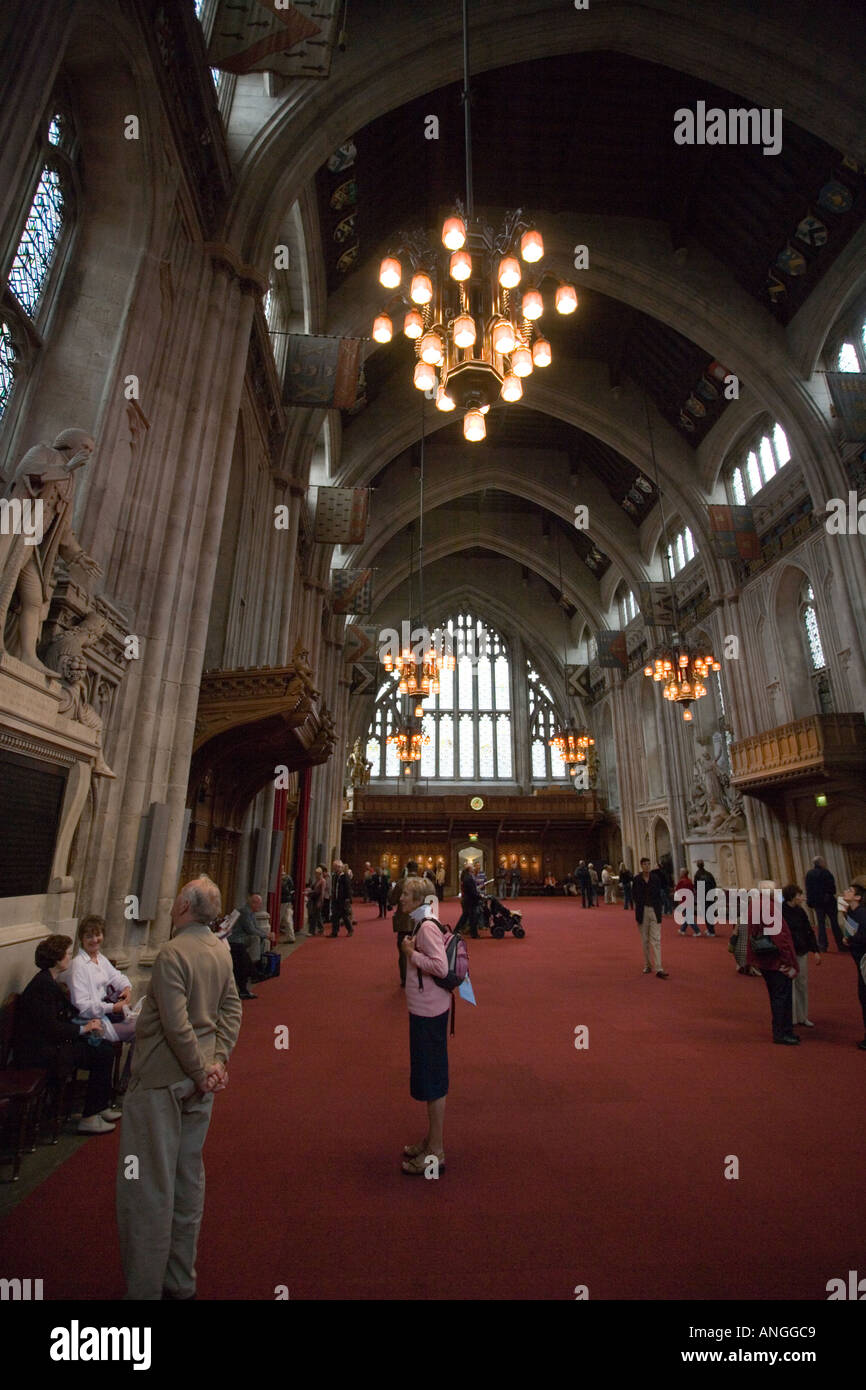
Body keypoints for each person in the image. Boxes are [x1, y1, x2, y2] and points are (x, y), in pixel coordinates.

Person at [116, 875, 242, 1300]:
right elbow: (231, 1009)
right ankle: (181, 1281)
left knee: (148, 1185)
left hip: (162, 1081)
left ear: (185, 909)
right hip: (199, 1085)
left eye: (176, 902)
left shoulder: (173, 952)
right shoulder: (220, 949)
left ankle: (146, 1289)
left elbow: (175, 1024)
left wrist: (202, 1067)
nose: (170, 907)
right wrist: (218, 1061)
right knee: (188, 1179)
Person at [13, 934, 118, 1134]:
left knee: (103, 1047)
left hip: (50, 1043)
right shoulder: (43, 985)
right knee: (102, 1053)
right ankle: (89, 1117)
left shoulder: (49, 982)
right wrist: (83, 1029)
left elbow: (62, 1018)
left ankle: (98, 1108)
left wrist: (87, 1024)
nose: (70, 958)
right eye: (68, 954)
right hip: (39, 1050)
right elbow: (51, 1027)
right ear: (56, 958)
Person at [399, 876, 450, 1176]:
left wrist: (411, 955)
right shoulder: (422, 923)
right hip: (425, 1010)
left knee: (433, 1080)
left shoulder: (427, 926)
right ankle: (431, 1140)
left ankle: (437, 1152)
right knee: (429, 1076)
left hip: (430, 1013)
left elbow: (440, 967)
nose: (401, 898)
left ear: (419, 900)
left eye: (405, 894)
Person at [62, 914, 138, 1044]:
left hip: (107, 1015)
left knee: (147, 1026)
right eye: (89, 936)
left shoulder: (100, 958)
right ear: (81, 939)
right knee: (142, 1030)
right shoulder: (78, 966)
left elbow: (117, 977)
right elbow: (83, 1008)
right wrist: (113, 1008)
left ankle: (133, 1065)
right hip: (91, 1022)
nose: (95, 940)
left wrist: (126, 988)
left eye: (98, 935)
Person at [746, 883, 799, 1044]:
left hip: (764, 957)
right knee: (782, 997)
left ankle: (783, 1030)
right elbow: (780, 937)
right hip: (776, 959)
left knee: (776, 996)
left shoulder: (754, 905)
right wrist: (788, 960)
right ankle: (782, 1032)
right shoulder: (768, 907)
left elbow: (752, 931)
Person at [782, 884, 821, 1028]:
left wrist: (815, 950)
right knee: (789, 984)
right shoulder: (781, 911)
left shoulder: (800, 911)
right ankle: (791, 1016)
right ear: (792, 896)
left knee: (802, 983)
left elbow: (808, 931)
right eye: (800, 895)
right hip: (787, 953)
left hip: (801, 951)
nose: (802, 897)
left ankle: (803, 1016)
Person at [837, 879, 866, 1050]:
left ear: (857, 897)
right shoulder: (850, 912)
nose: (845, 892)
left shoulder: (862, 914)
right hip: (858, 958)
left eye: (849, 890)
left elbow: (862, 936)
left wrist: (851, 939)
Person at [227, 894, 269, 997]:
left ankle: (254, 972)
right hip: (234, 940)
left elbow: (256, 927)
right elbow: (250, 929)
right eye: (259, 903)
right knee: (243, 955)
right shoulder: (244, 912)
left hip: (240, 940)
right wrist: (266, 935)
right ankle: (254, 971)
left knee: (257, 940)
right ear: (253, 903)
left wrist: (266, 935)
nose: (260, 906)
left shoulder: (250, 912)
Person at [632, 857, 668, 978]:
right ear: (641, 866)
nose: (647, 866)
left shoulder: (655, 878)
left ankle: (659, 968)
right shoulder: (637, 879)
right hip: (642, 911)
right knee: (645, 940)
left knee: (656, 940)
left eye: (649, 864)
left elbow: (659, 893)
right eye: (645, 864)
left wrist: (659, 908)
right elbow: (634, 895)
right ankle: (647, 964)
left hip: (654, 910)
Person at [390, 861, 418, 986]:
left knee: (403, 951)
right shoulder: (424, 884)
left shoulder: (401, 883)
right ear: (417, 869)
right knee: (420, 949)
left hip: (404, 922)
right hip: (419, 921)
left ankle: (405, 979)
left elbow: (392, 900)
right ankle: (419, 977)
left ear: (407, 868)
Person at [805, 857, 840, 952]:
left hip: (817, 903)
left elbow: (808, 889)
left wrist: (810, 902)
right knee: (834, 923)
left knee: (820, 924)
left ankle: (822, 945)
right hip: (829, 902)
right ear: (820, 863)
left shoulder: (809, 874)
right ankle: (840, 944)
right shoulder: (826, 873)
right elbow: (832, 888)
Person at [455, 863, 481, 938]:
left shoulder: (467, 876)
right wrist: (478, 896)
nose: (474, 868)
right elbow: (471, 891)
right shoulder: (468, 878)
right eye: (472, 866)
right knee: (473, 917)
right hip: (470, 900)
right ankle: (474, 934)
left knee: (466, 916)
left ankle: (456, 930)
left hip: (468, 899)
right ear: (469, 869)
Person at [329, 859, 353, 937]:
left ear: (339, 867)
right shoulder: (335, 876)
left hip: (343, 900)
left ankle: (350, 929)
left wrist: (348, 899)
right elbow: (334, 887)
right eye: (334, 867)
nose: (334, 868)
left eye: (335, 867)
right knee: (335, 916)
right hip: (336, 899)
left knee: (344, 916)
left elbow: (348, 888)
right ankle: (334, 932)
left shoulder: (344, 876)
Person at [675, 868, 700, 937]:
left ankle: (697, 931)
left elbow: (677, 891)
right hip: (690, 900)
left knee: (688, 917)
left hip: (684, 901)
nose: (679, 874)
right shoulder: (689, 880)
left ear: (683, 874)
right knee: (687, 915)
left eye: (680, 872)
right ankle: (682, 930)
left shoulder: (681, 881)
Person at [694, 860, 717, 936]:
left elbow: (696, 887)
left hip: (703, 896)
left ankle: (711, 931)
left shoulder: (697, 875)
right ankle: (710, 928)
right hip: (710, 895)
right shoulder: (709, 874)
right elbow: (714, 884)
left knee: (706, 913)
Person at [307, 865, 328, 935]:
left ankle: (311, 931)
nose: (315, 875)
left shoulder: (323, 881)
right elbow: (314, 889)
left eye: (316, 873)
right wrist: (309, 891)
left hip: (318, 899)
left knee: (313, 916)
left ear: (320, 873)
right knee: (318, 915)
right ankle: (321, 928)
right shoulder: (316, 880)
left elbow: (322, 892)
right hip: (314, 899)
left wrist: (320, 901)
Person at [279, 872, 295, 943]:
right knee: (288, 919)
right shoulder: (288, 878)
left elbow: (285, 890)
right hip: (288, 900)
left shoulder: (284, 879)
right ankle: (291, 936)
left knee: (279, 917)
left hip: (283, 900)